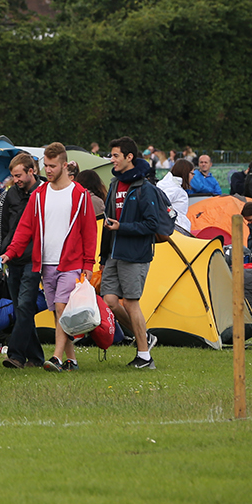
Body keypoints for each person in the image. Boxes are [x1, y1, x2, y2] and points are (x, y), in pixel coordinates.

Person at [0, 143, 98, 373]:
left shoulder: (80, 195)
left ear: (64, 165)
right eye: (46, 165)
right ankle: (71, 360)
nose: (48, 170)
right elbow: (25, 228)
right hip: (46, 263)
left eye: (52, 165)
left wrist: (88, 264)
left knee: (62, 307)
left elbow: (89, 232)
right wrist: (10, 252)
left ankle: (56, 357)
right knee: (58, 312)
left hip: (71, 263)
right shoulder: (39, 194)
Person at [100, 137, 160, 370]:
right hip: (114, 254)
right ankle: (145, 335)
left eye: (115, 156)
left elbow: (152, 225)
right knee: (110, 300)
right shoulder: (114, 184)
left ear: (129, 157)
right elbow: (107, 221)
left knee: (131, 302)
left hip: (135, 254)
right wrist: (103, 257)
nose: (112, 160)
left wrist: (122, 227)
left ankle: (145, 357)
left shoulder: (145, 188)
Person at [0, 152, 44, 369]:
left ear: (31, 171)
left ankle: (15, 355)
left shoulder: (44, 192)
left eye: (18, 176)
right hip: (12, 257)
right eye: (13, 176)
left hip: (33, 258)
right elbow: (5, 225)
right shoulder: (11, 195)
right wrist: (4, 249)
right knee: (20, 309)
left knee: (25, 305)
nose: (15, 180)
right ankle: (35, 357)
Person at [159, 159, 193, 234]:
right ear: (186, 173)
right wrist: (173, 216)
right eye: (192, 173)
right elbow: (161, 204)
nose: (193, 176)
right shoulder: (176, 190)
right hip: (176, 230)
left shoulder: (166, 185)